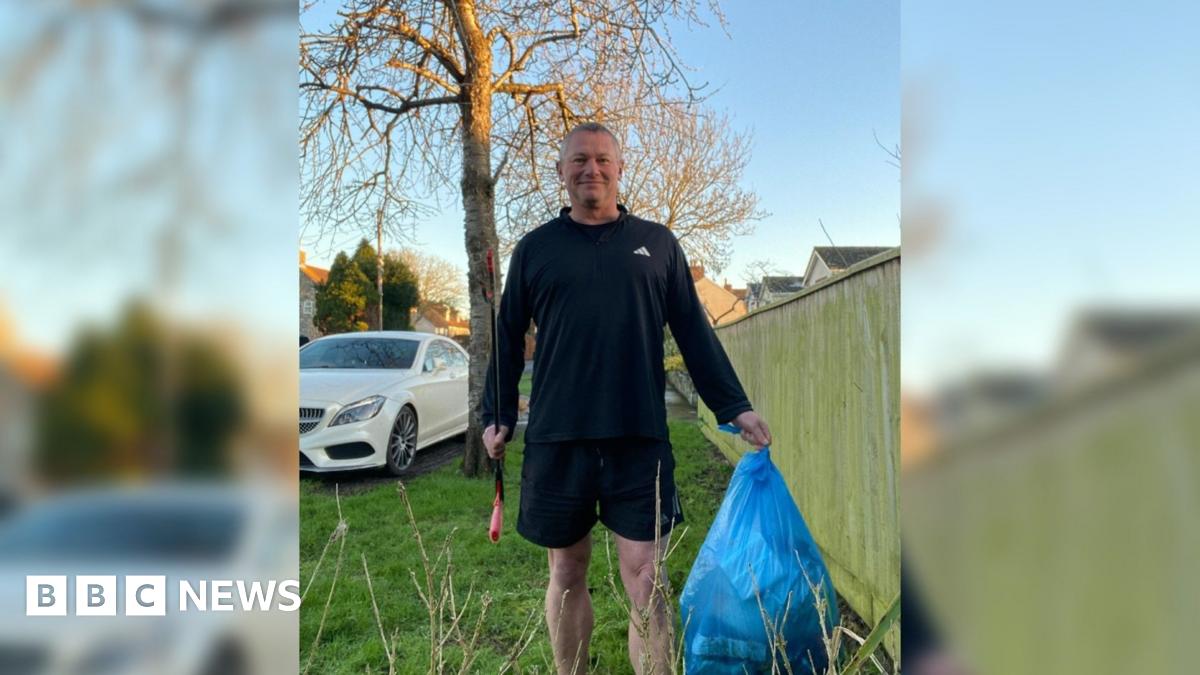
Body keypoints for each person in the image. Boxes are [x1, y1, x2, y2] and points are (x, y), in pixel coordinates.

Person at [481, 122, 771, 675]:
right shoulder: (536, 249)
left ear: (619, 168)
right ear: (562, 171)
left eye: (602, 159)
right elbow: (508, 333)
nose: (592, 169)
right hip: (558, 437)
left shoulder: (658, 244)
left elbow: (693, 331)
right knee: (566, 574)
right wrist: (496, 415)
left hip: (638, 437)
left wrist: (733, 406)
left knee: (646, 578)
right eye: (579, 160)